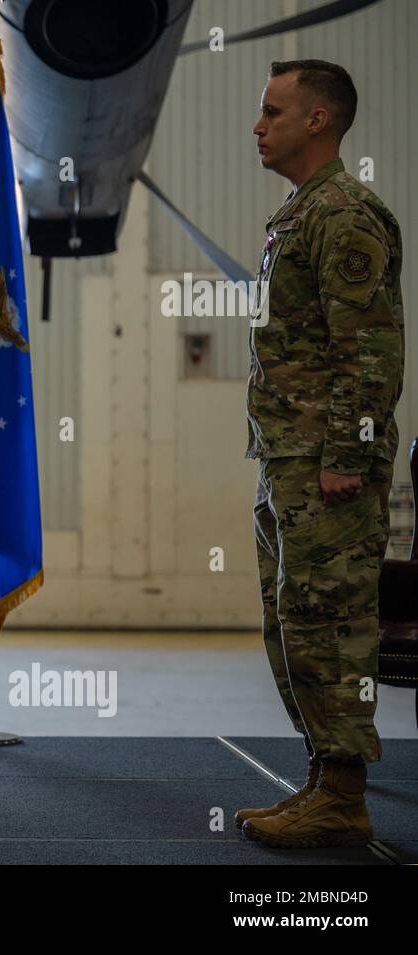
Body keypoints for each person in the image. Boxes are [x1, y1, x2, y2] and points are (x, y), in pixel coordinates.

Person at [240, 59, 405, 848]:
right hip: (289, 462)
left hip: (327, 469)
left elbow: (368, 353)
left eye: (274, 112)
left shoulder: (345, 214)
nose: (259, 126)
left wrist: (347, 453)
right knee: (292, 627)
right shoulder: (300, 213)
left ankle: (342, 797)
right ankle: (320, 780)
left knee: (330, 627)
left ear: (319, 121)